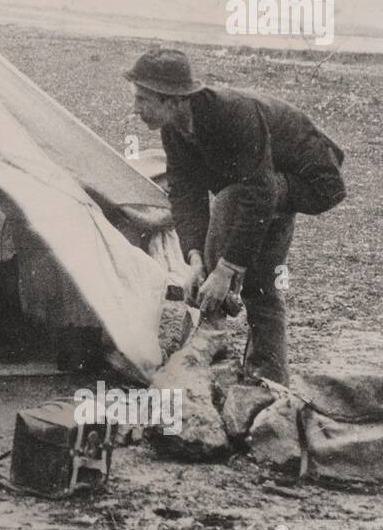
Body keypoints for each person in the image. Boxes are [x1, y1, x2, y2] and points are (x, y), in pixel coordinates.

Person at [125, 48, 345, 384]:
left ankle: (211, 328)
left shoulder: (232, 114)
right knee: (261, 285)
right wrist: (195, 258)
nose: (136, 108)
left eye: (143, 99)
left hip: (311, 183)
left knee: (232, 201)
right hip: (267, 183)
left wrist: (226, 270)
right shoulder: (175, 128)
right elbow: (186, 193)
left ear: (172, 99)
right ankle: (269, 376)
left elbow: (258, 193)